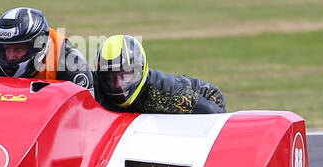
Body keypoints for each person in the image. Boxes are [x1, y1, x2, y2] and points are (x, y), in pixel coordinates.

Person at [93, 34, 225, 114]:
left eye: (125, 76)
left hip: (208, 99)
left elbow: (215, 114)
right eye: (110, 79)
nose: (119, 86)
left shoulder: (166, 94)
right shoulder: (94, 88)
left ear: (140, 69)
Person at [0, 7, 93, 90]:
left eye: (18, 49)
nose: (10, 57)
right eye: (6, 49)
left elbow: (87, 110)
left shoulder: (72, 66)